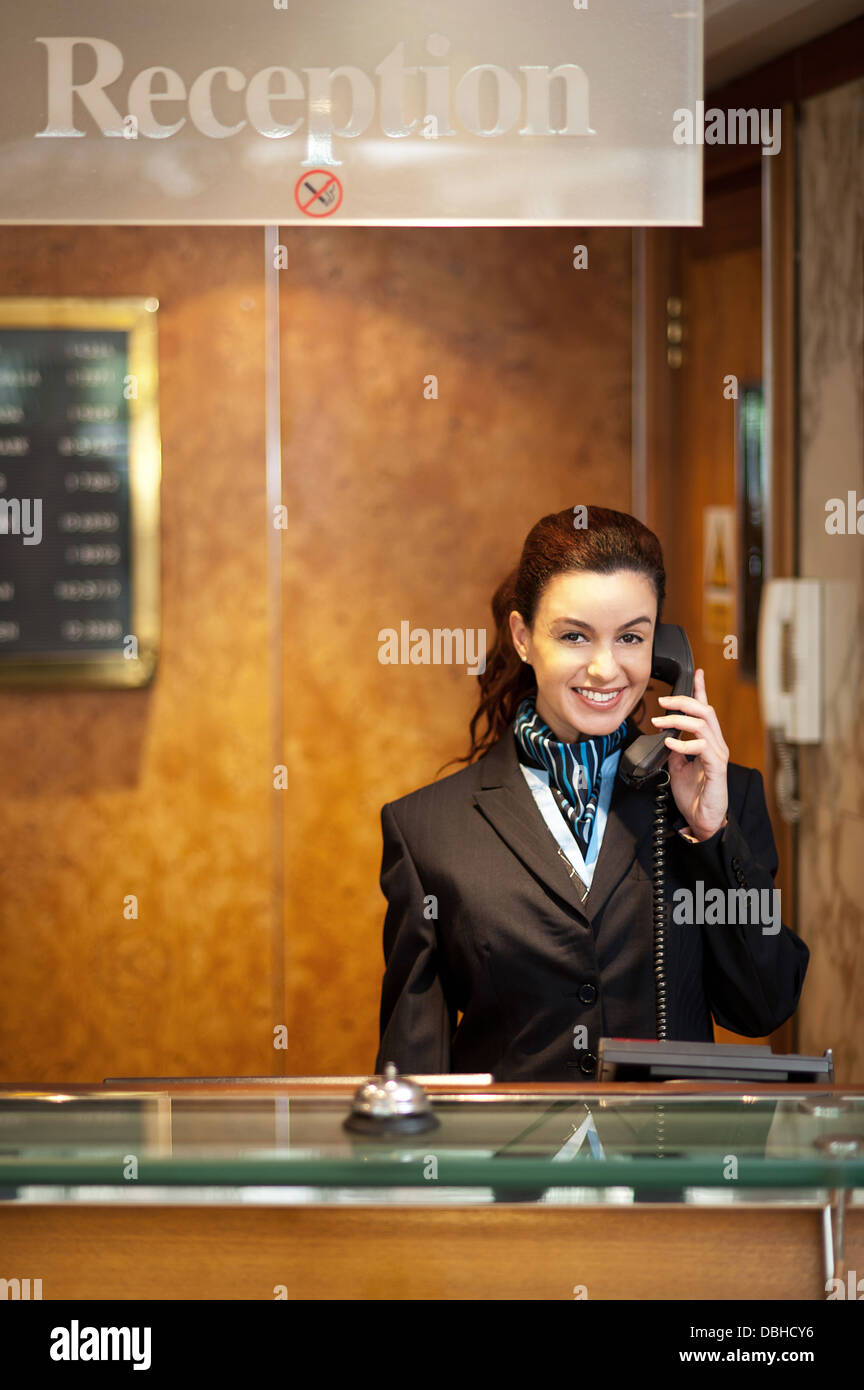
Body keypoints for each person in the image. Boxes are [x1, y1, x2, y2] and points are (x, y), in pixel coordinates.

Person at [374, 506, 809, 1081]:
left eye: (631, 636)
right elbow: (411, 1075)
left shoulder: (725, 800)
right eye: (575, 635)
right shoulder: (429, 828)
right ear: (523, 637)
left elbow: (765, 1005)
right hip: (512, 1166)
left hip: (663, 1163)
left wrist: (711, 835)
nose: (606, 669)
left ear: (663, 648)